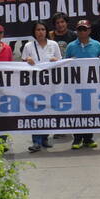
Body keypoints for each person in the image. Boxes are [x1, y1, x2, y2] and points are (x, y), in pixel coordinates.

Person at [22, 20, 61, 152]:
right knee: (36, 113)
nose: (40, 32)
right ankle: (36, 141)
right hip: (34, 85)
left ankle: (45, 138)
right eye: (38, 30)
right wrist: (27, 61)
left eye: (43, 29)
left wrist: (56, 61)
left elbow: (61, 62)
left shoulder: (53, 44)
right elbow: (22, 64)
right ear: (34, 32)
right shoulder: (28, 46)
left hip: (50, 84)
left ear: (47, 31)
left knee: (48, 112)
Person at [65, 21, 100, 149]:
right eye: (79, 29)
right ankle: (77, 139)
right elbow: (65, 64)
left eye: (84, 29)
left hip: (92, 85)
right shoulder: (71, 46)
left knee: (90, 111)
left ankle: (88, 138)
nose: (82, 32)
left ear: (89, 30)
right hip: (75, 85)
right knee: (76, 112)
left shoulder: (96, 45)